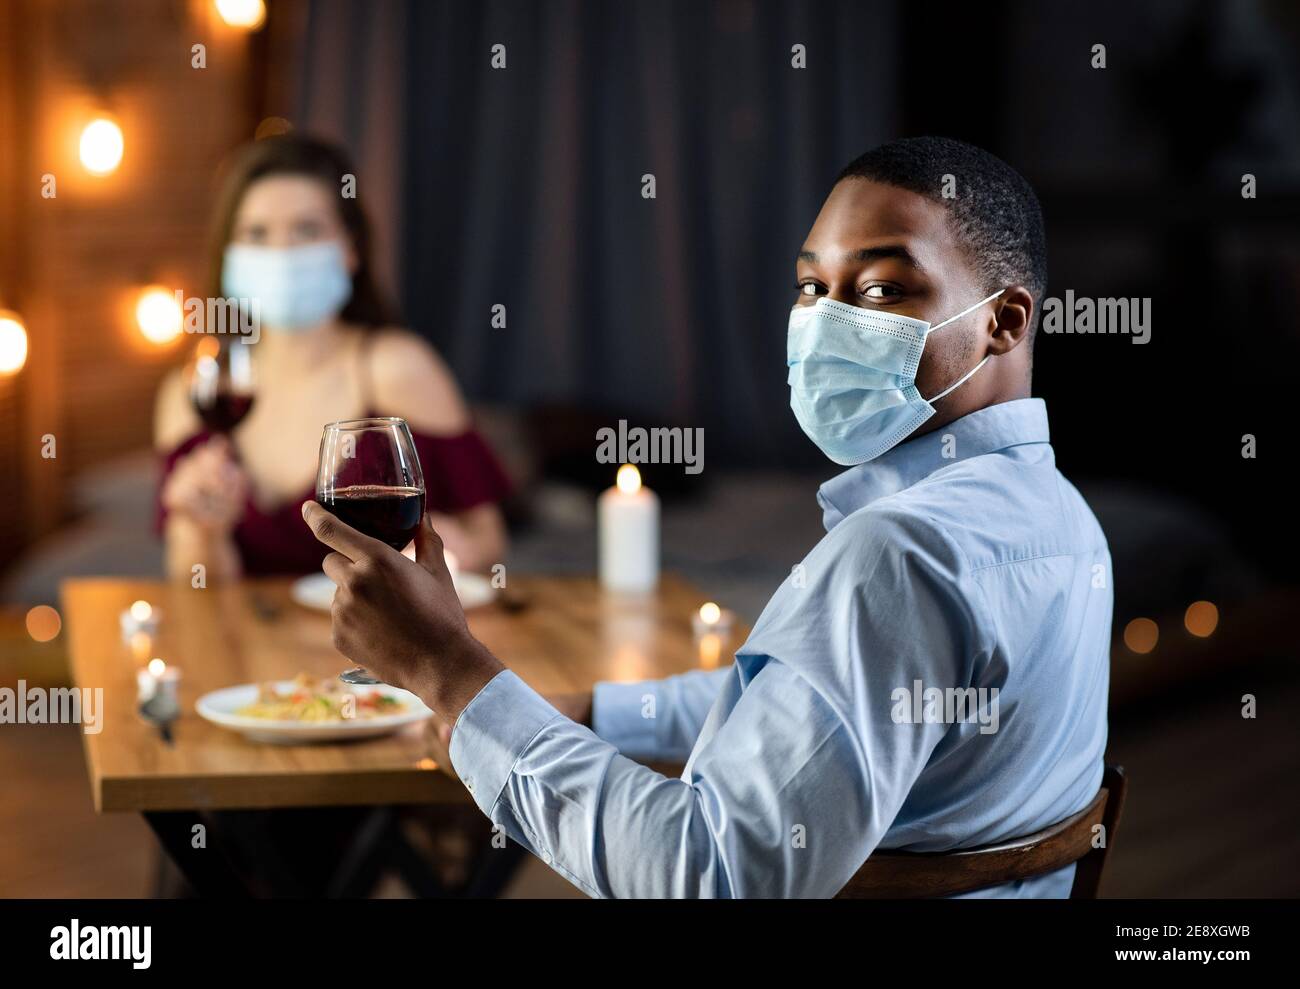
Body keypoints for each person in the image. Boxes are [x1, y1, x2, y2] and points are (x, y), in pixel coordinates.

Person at [303, 136, 1112, 898]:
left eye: (878, 290)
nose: (827, 322)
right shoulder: (1062, 519)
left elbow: (711, 873)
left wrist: (450, 674)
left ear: (1003, 320)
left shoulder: (900, 554)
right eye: (810, 287)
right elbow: (808, 708)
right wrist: (591, 710)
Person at [155, 134, 510, 579]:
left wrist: (454, 552)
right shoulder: (192, 391)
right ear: (229, 256)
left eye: (307, 229)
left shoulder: (398, 369)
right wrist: (204, 532)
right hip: (250, 646)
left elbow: (490, 546)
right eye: (257, 233)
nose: (281, 252)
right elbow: (196, 585)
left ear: (351, 249)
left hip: (385, 645)